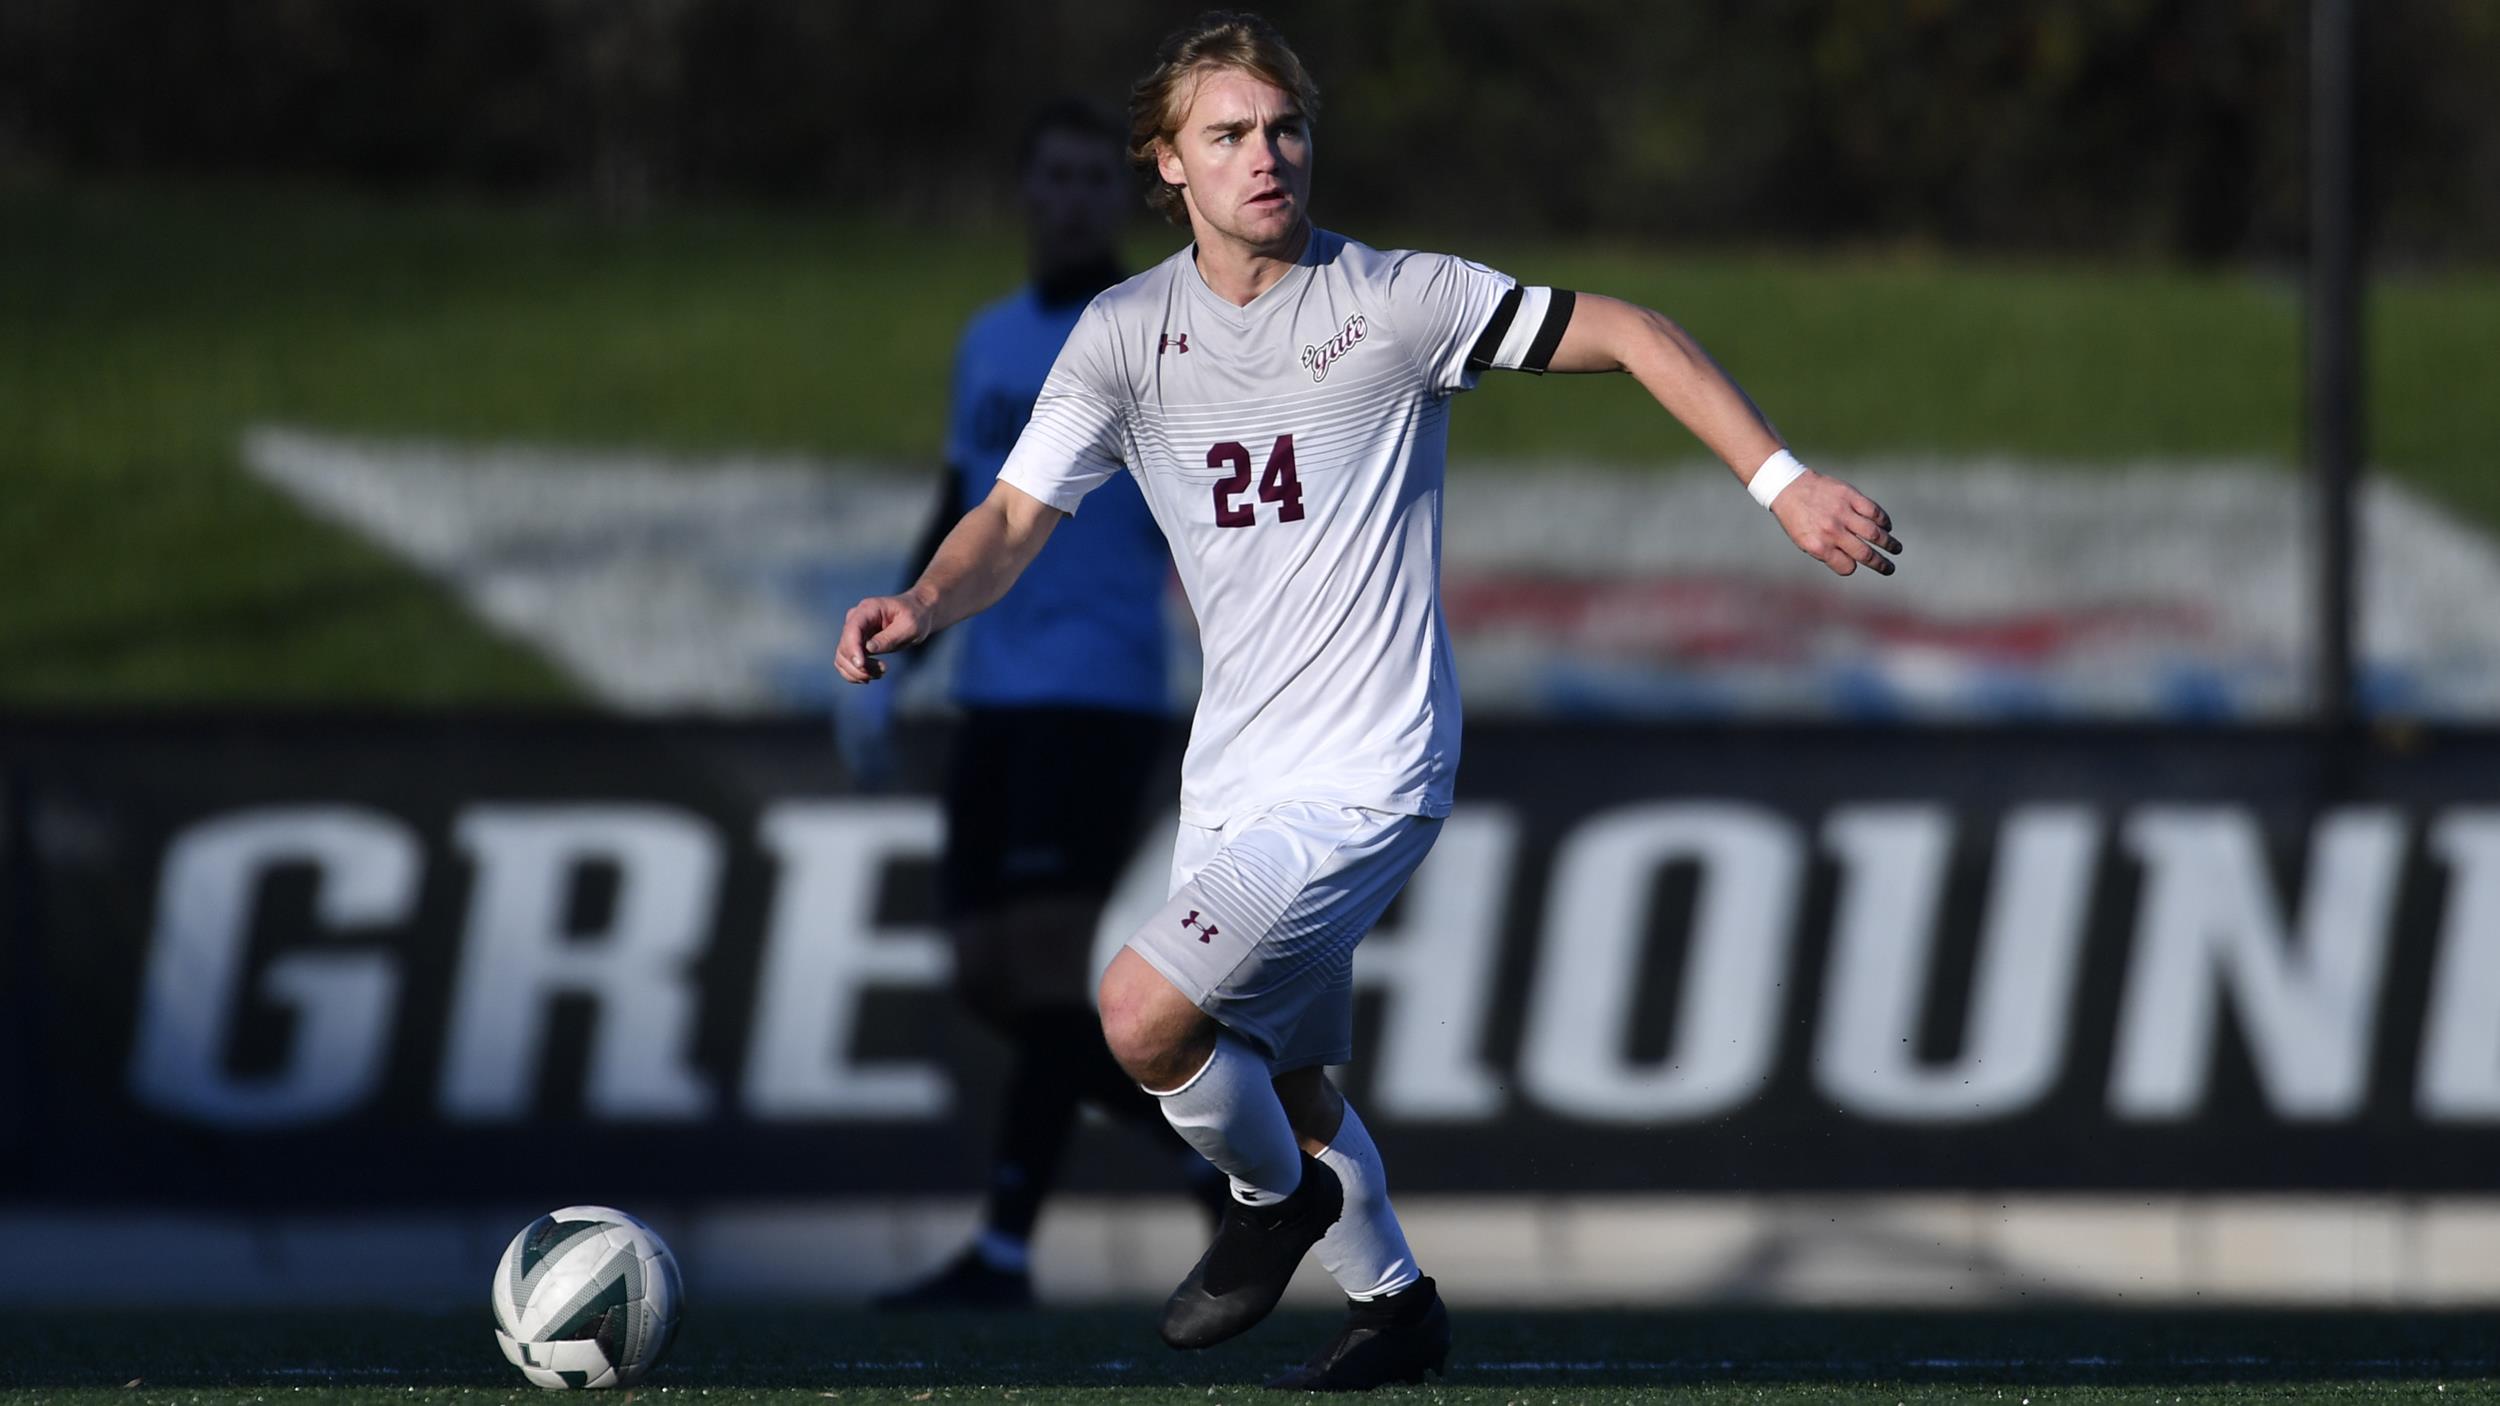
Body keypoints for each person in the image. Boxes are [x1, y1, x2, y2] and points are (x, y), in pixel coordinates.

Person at [838, 9, 1902, 1387]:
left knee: (1143, 1012)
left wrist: (1784, 482)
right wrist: (924, 603)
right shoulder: (1120, 335)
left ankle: (1269, 1206)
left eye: (1285, 128)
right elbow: (1011, 518)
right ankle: (1395, 1305)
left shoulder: (1398, 301)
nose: (1265, 155)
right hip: (1233, 775)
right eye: (1229, 133)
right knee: (1280, 1076)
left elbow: (1635, 332)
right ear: (1167, 162)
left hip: (1370, 770)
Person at [870, 97, 1229, 1312]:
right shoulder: (989, 341)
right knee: (985, 971)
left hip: (1095, 691)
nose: (1072, 199)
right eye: (1054, 177)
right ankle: (1220, 1163)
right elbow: (965, 498)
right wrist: (906, 640)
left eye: (1091, 178)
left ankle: (1005, 1248)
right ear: (1026, 192)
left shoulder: (1154, 332)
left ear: (1120, 196)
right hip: (993, 692)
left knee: (1045, 970)